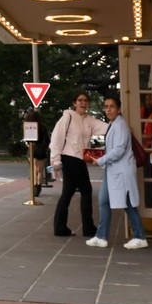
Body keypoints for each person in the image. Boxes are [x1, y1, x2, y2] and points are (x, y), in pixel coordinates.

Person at [85, 95, 148, 249]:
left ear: (119, 109)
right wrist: (95, 154)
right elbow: (107, 146)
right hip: (113, 170)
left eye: (112, 106)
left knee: (127, 203)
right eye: (106, 106)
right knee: (104, 201)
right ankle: (101, 236)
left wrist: (100, 160)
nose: (108, 109)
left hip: (121, 170)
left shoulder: (120, 125)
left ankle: (140, 236)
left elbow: (119, 150)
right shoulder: (113, 124)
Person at [49, 92, 108, 237]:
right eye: (80, 100)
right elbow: (56, 139)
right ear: (74, 103)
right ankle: (85, 228)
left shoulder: (90, 120)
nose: (83, 103)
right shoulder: (67, 117)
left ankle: (62, 227)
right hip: (69, 158)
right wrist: (56, 160)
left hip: (80, 159)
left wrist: (119, 124)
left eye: (86, 100)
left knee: (71, 193)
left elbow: (104, 129)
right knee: (84, 191)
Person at [24, 109, 50, 197]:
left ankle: (34, 186)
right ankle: (38, 187)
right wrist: (44, 147)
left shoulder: (26, 127)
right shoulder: (42, 127)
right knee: (40, 170)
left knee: (34, 169)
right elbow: (47, 140)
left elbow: (26, 140)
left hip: (31, 149)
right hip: (41, 150)